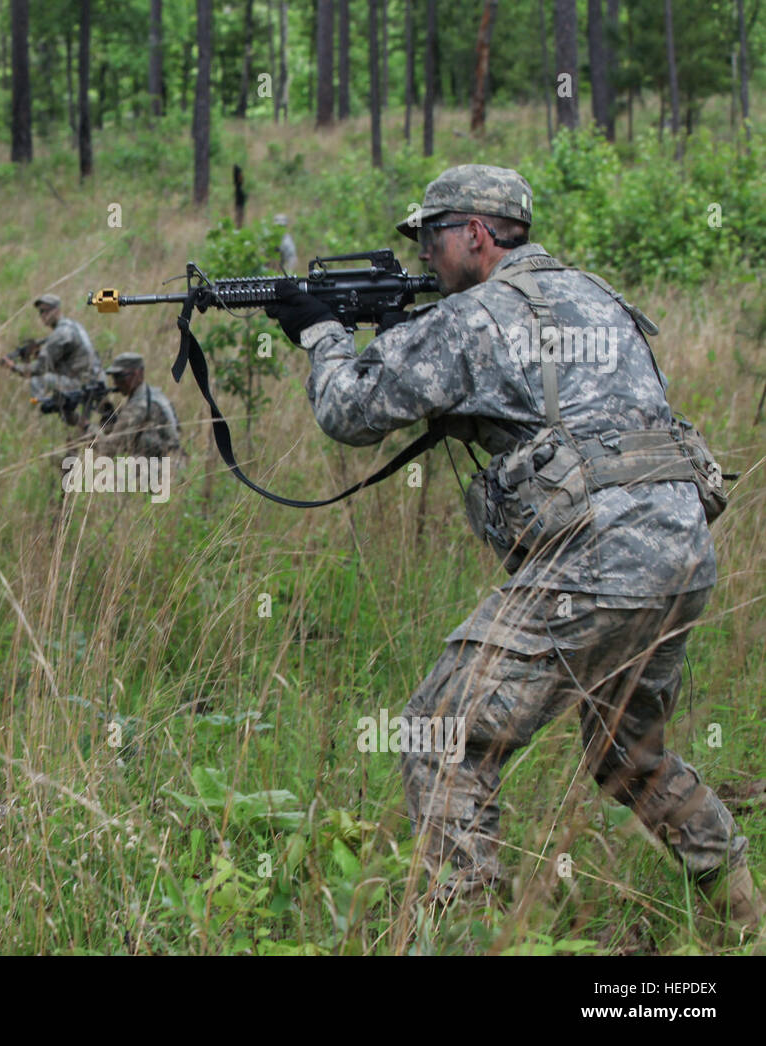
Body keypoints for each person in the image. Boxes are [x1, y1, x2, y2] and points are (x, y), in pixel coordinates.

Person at [265, 163, 763, 940]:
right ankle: (743, 917)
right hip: (682, 550)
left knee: (443, 730)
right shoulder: (599, 297)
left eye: (433, 237)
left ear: (475, 233)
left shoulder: (475, 318)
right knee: (630, 757)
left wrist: (321, 332)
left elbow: (349, 411)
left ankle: (467, 931)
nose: (426, 255)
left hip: (600, 558)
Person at [93, 353, 182, 460]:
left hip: (157, 470)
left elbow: (109, 449)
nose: (116, 383)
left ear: (138, 374)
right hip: (171, 464)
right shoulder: (155, 394)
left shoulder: (139, 405)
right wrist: (108, 416)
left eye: (120, 377)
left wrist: (85, 426)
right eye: (114, 377)